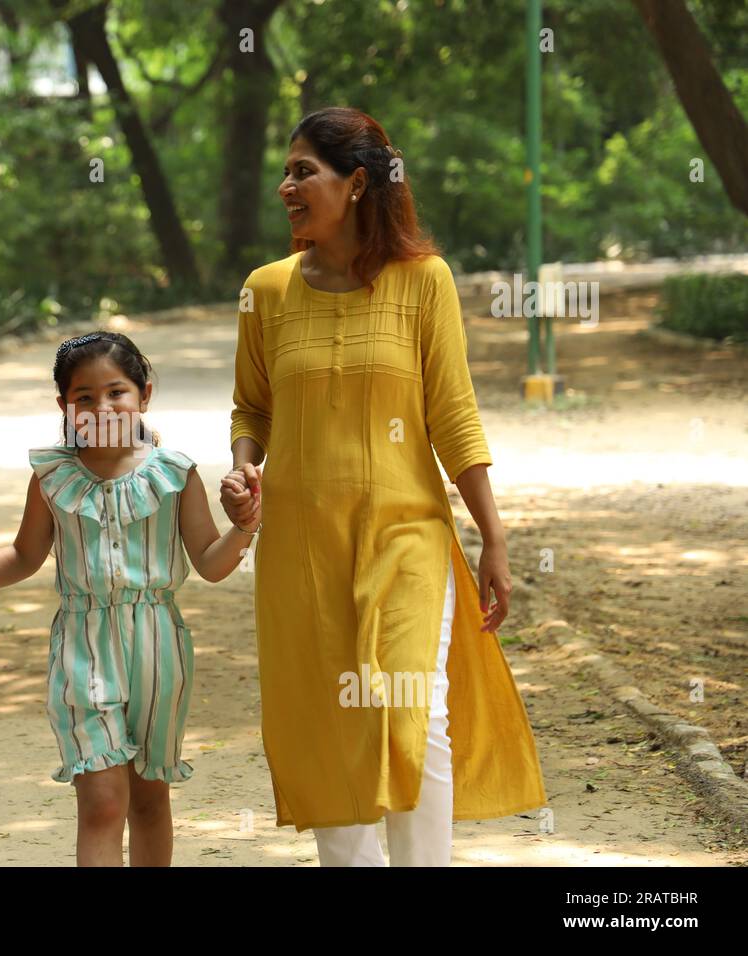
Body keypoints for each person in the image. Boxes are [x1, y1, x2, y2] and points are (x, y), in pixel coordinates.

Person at [221, 106, 546, 866]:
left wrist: (493, 538)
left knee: (410, 712)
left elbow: (454, 417)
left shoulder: (423, 282)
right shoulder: (264, 291)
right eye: (287, 171)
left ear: (358, 183)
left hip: (407, 537)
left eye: (304, 171)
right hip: (301, 546)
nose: (286, 187)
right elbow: (253, 407)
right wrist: (245, 467)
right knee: (330, 728)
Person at [0, 331, 260, 866]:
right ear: (64, 407)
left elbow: (210, 562)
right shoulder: (51, 478)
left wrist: (243, 529)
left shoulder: (174, 473)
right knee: (101, 801)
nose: (102, 406)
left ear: (143, 394)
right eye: (84, 397)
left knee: (148, 798)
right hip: (82, 646)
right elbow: (25, 554)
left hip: (160, 649)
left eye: (116, 391)